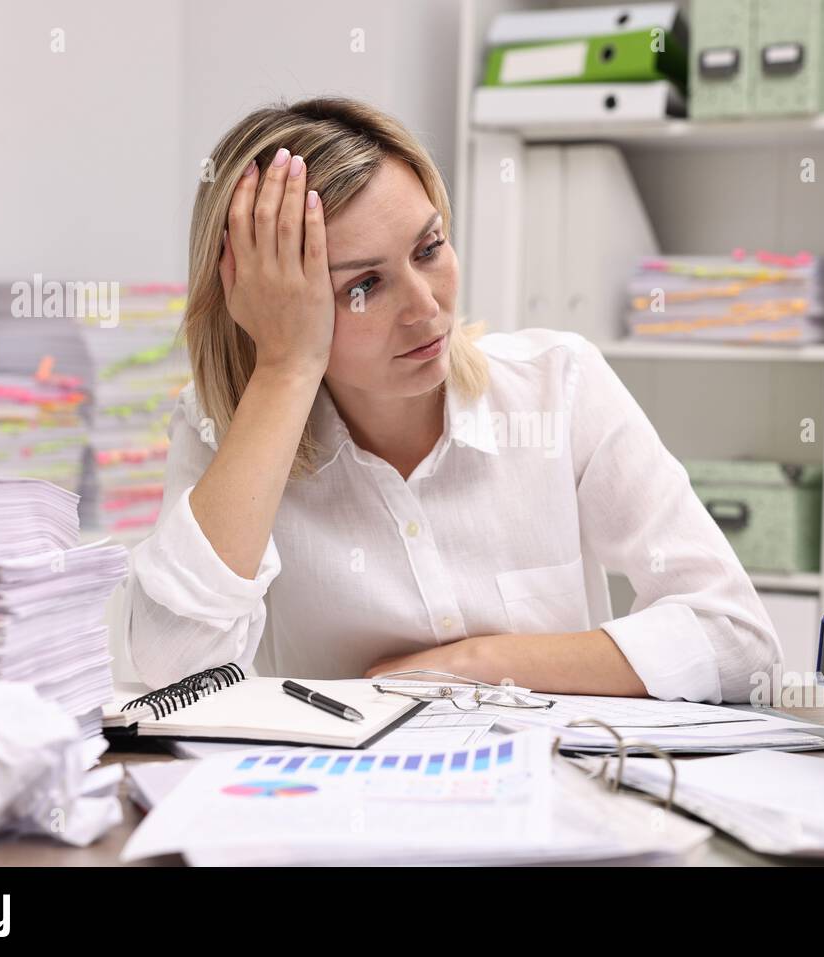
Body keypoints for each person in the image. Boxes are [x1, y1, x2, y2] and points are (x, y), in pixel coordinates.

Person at [124, 96, 781, 703]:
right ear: (270, 302)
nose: (424, 304)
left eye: (429, 247)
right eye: (366, 285)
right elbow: (172, 675)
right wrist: (285, 368)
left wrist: (475, 662)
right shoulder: (224, 431)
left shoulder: (560, 384)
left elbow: (739, 642)